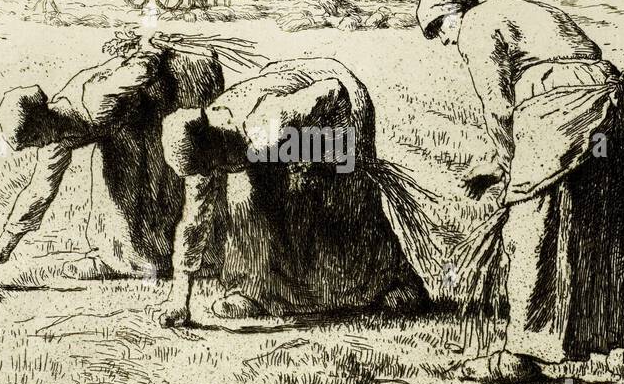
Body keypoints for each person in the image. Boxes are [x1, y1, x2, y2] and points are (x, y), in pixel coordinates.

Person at [417, 0, 624, 382]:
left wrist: (506, 165)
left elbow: (498, 106)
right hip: (612, 108)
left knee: (529, 229)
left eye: (439, 26)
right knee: (597, 227)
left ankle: (522, 353)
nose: (443, 38)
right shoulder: (519, 10)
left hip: (560, 109)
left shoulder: (478, 25)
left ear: (454, 11)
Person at [156, 58, 432, 326]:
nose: (214, 173)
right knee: (245, 193)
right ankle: (256, 293)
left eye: (215, 164)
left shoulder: (266, 120)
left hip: (337, 103)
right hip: (290, 108)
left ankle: (394, 283)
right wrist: (180, 298)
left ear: (217, 139)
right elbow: (194, 221)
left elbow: (334, 91)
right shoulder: (209, 151)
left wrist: (326, 156)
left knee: (334, 195)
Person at [0, 34, 226, 282]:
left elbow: (143, 69)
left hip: (173, 96)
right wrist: (2, 248)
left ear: (42, 122)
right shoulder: (57, 135)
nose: (38, 146)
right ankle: (122, 260)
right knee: (116, 183)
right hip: (131, 127)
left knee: (168, 177)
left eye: (34, 139)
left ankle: (196, 258)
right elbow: (39, 192)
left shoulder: (92, 97)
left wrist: (147, 45)